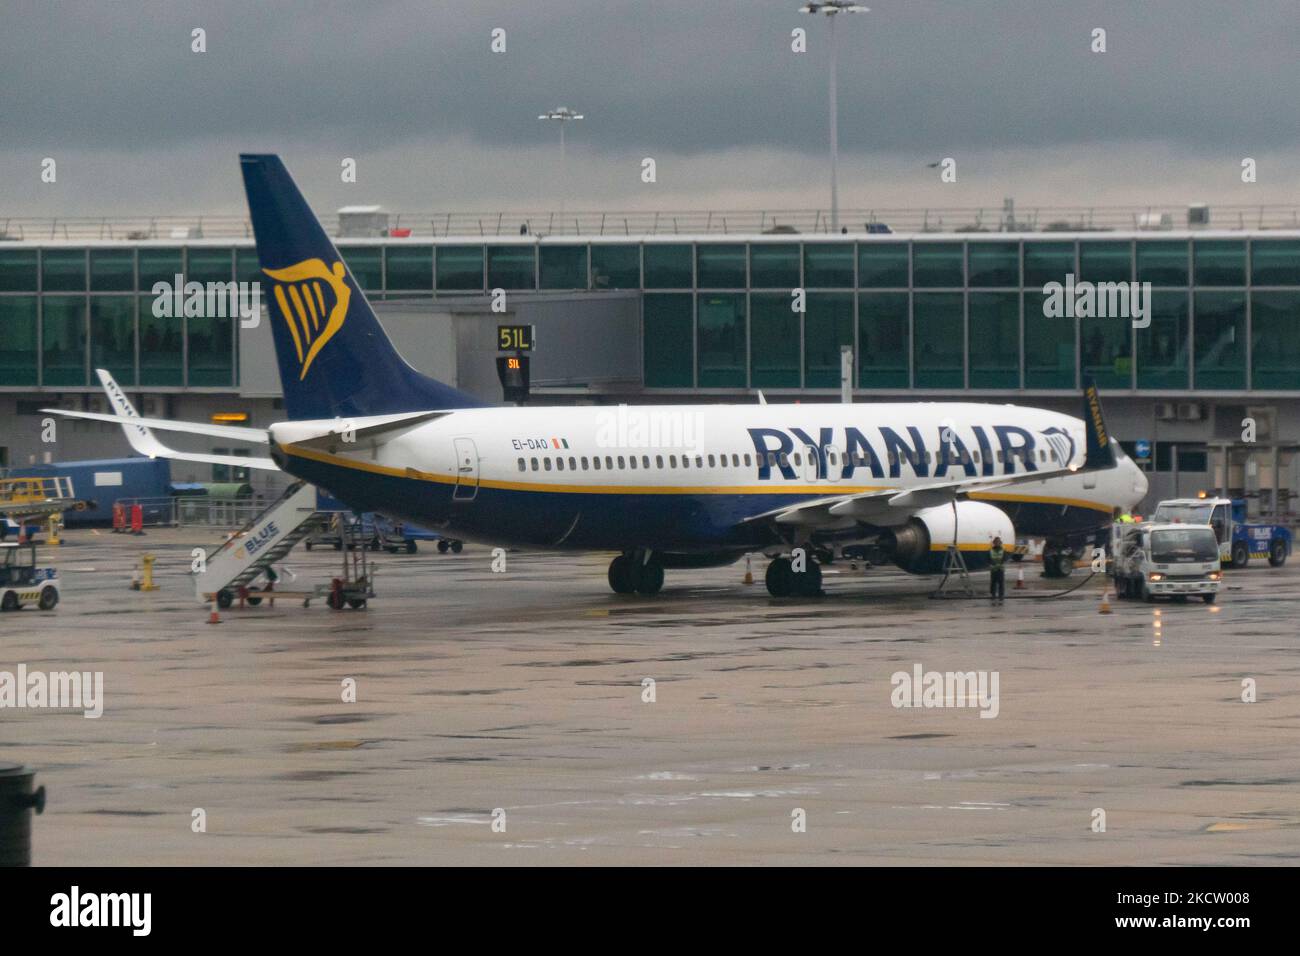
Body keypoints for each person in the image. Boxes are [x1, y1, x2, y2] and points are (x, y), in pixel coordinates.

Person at [988, 536, 1006, 601]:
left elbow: (1004, 559)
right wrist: (992, 565)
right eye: (996, 542)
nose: (997, 543)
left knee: (1001, 583)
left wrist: (1000, 564)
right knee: (993, 583)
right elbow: (989, 559)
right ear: (994, 543)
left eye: (998, 542)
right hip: (994, 569)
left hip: (1000, 569)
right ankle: (993, 595)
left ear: (1000, 543)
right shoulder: (991, 550)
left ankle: (1001, 596)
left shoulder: (1003, 550)